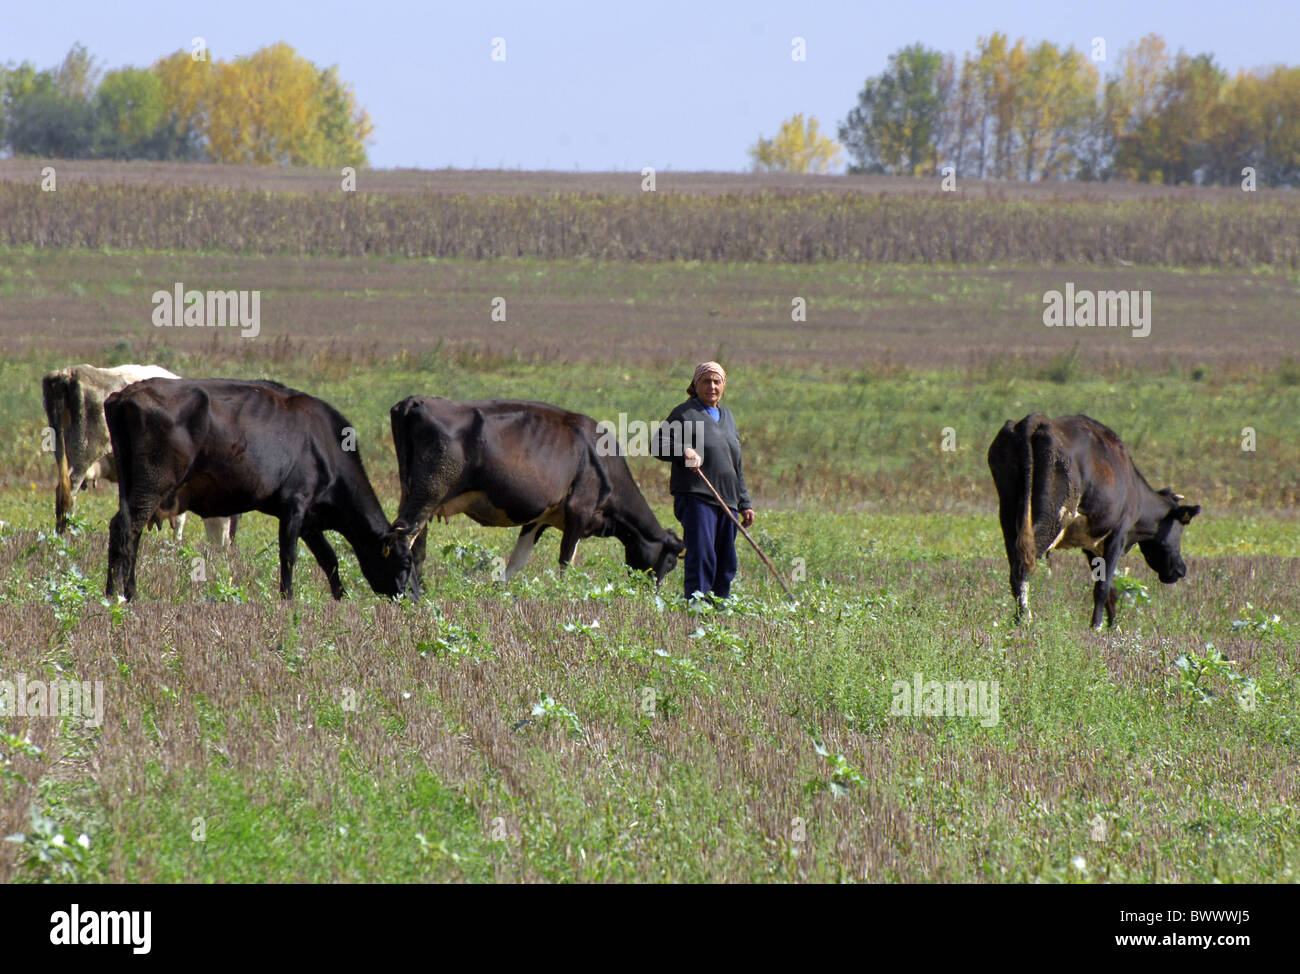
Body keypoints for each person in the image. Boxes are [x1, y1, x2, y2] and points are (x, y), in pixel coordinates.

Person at [656, 361, 755, 601]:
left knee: (726, 559)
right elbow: (658, 444)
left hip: (728, 500)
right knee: (702, 555)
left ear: (723, 386)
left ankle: (720, 606)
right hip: (697, 496)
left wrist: (745, 501)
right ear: (695, 384)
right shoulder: (684, 414)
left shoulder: (728, 416)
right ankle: (696, 607)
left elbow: (735, 464)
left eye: (717, 381)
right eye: (706, 381)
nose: (712, 386)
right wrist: (684, 451)